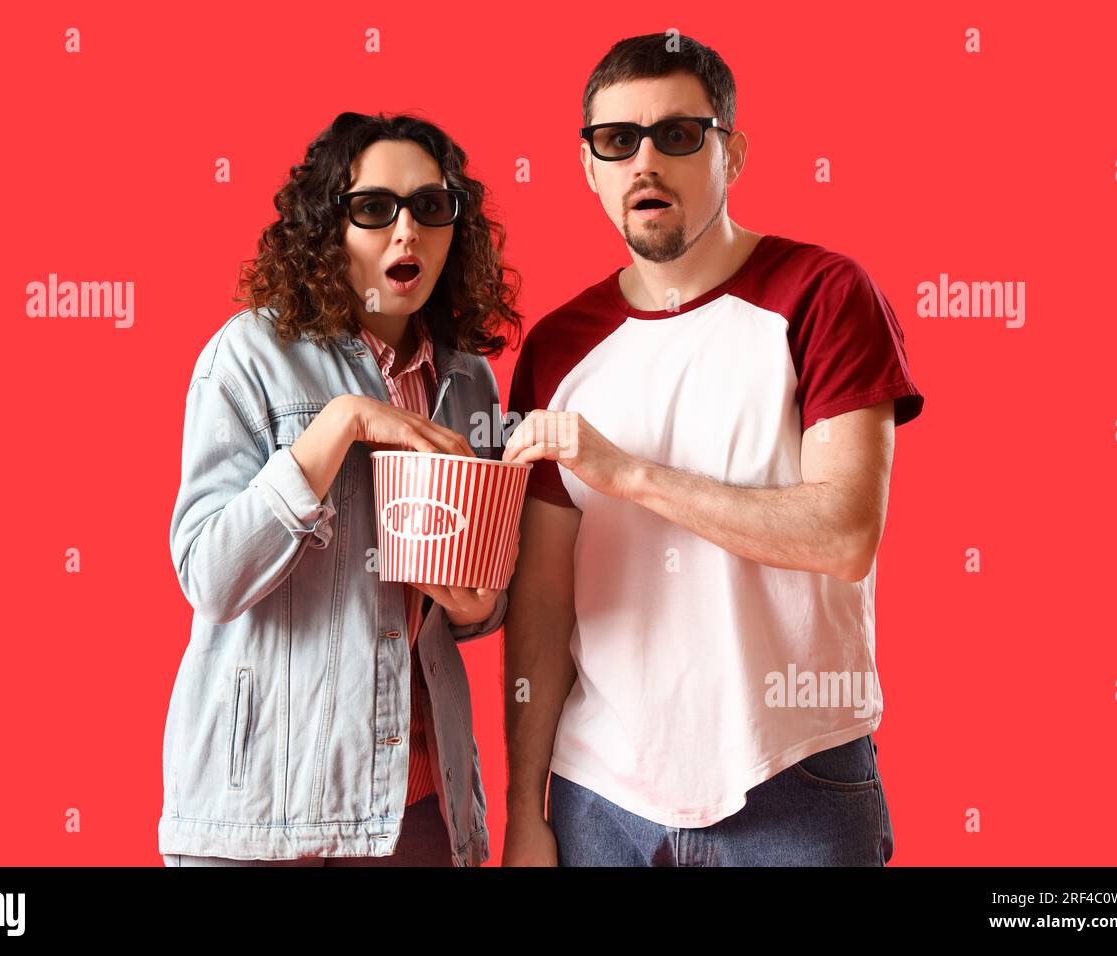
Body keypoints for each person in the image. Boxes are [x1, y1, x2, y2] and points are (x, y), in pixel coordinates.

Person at [501, 34, 924, 866]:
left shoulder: (825, 295)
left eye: (679, 135)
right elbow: (542, 599)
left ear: (731, 149)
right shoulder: (557, 347)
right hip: (600, 796)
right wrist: (525, 808)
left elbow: (842, 534)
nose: (645, 161)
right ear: (589, 167)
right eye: (617, 141)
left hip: (795, 780)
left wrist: (629, 474)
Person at [160, 111, 522, 866]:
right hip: (266, 814)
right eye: (373, 208)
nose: (406, 231)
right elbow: (213, 578)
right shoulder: (250, 356)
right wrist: (341, 425)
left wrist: (477, 601)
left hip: (418, 810)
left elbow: (475, 608)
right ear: (329, 228)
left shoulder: (469, 382)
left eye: (429, 206)